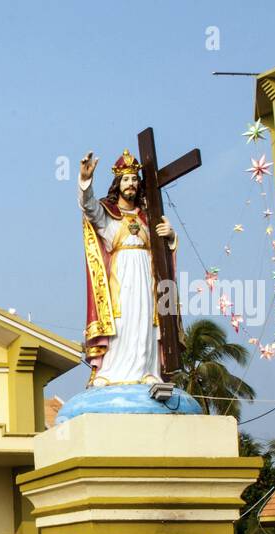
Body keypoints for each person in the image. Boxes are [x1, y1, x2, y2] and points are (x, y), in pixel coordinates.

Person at [78, 149, 177, 387]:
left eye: (134, 179)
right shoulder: (109, 215)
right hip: (120, 277)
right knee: (122, 321)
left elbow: (164, 251)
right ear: (117, 183)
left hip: (147, 276)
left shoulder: (148, 218)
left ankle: (147, 369)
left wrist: (171, 237)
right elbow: (88, 207)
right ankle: (111, 371)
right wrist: (85, 181)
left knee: (146, 319)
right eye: (126, 179)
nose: (131, 183)